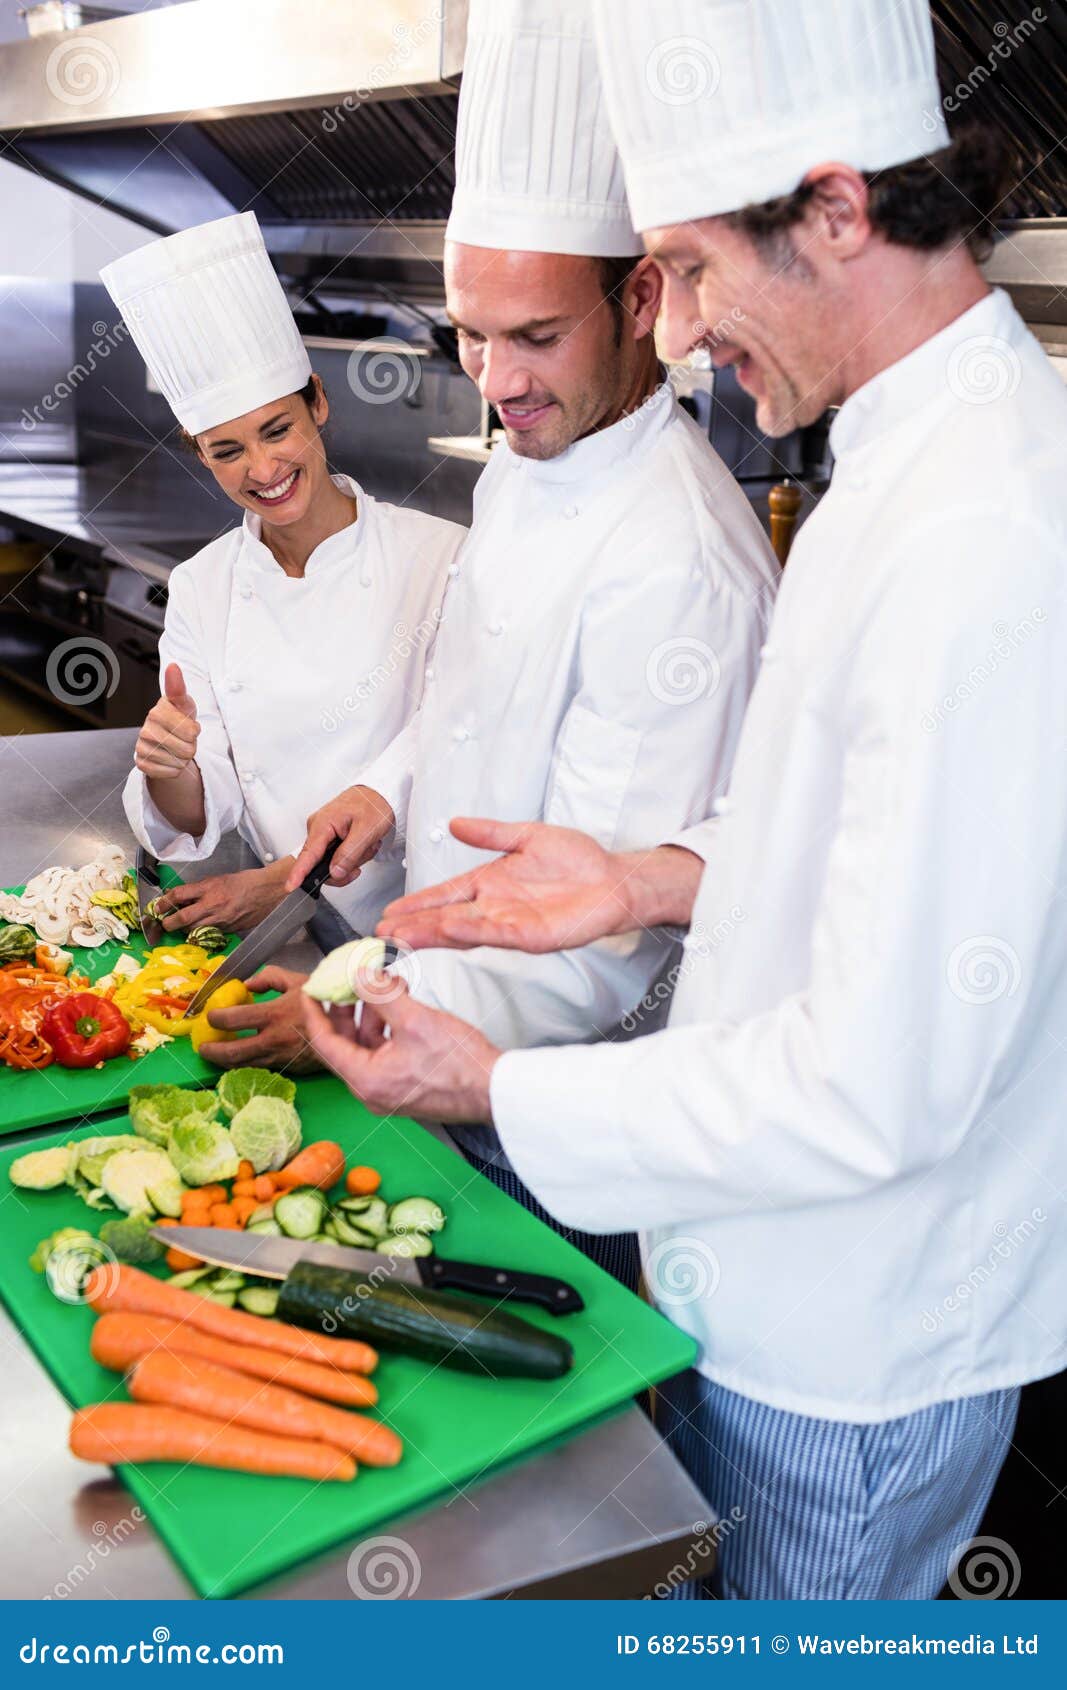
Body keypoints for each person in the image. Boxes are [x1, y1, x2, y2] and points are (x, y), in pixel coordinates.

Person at [301, 0, 1067, 1600]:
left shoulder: (985, 527)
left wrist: (496, 1090)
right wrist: (642, 883)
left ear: (839, 207)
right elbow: (840, 851)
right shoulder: (897, 459)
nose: (680, 330)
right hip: (748, 1275)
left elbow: (876, 1081)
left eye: (696, 270)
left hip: (851, 1338)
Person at [287, 0, 779, 1286]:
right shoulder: (531, 455)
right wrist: (383, 791)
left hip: (542, 1103)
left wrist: (358, 1010)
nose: (494, 382)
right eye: (470, 331)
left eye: (535, 337)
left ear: (641, 298)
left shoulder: (673, 557)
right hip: (437, 1007)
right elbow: (467, 696)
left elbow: (606, 944)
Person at [102, 212, 463, 1069]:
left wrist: (287, 880)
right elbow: (205, 807)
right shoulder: (203, 585)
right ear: (202, 455)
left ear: (318, 403)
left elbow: (457, 736)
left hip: (420, 940)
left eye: (276, 430)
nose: (261, 469)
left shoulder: (439, 558)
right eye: (227, 451)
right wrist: (173, 769)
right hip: (291, 942)